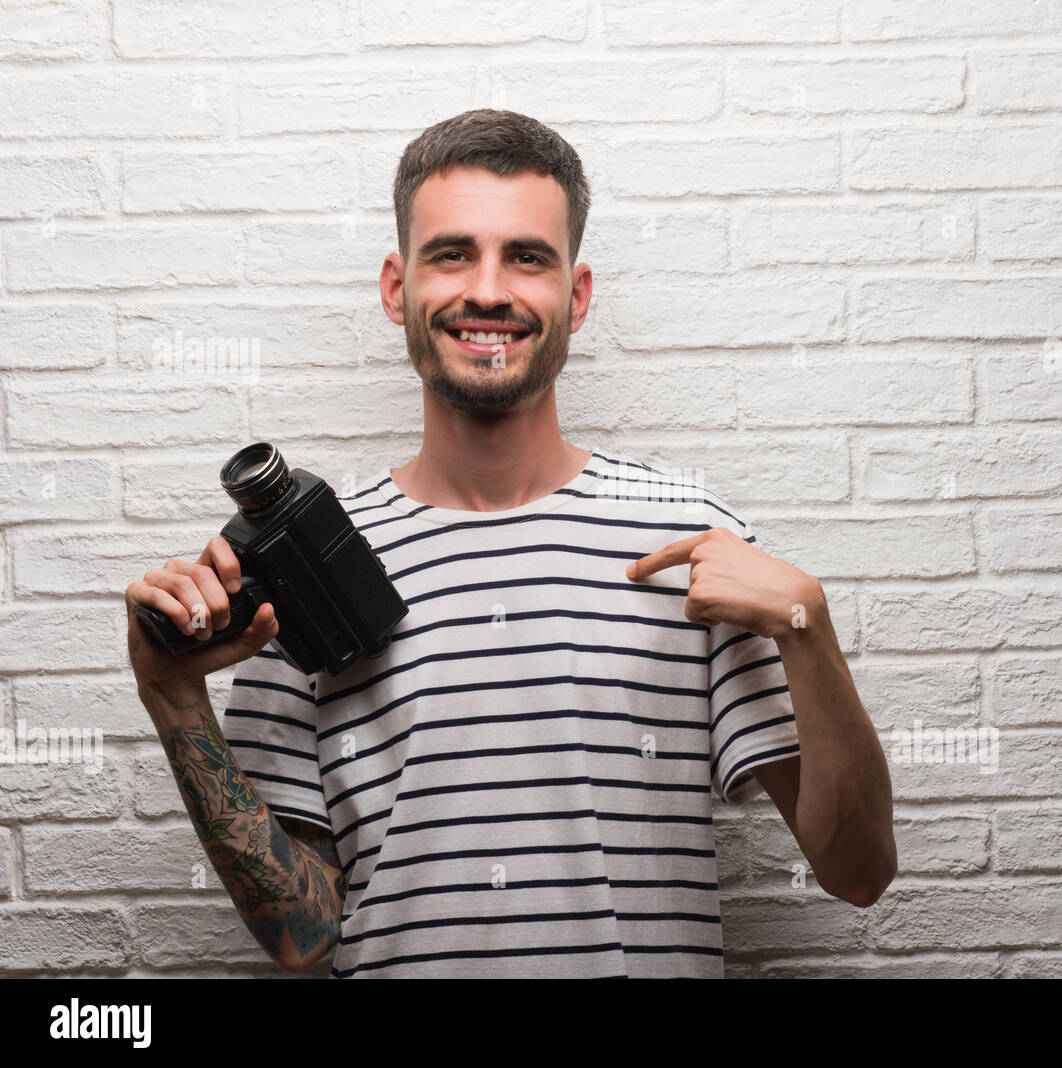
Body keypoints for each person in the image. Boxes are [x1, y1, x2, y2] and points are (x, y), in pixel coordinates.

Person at [124, 109, 897, 978]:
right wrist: (174, 699)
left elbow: (858, 871)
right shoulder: (302, 570)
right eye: (452, 253)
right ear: (395, 287)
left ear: (576, 294)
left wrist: (810, 628)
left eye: (527, 256)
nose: (487, 290)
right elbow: (304, 935)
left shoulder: (691, 543)